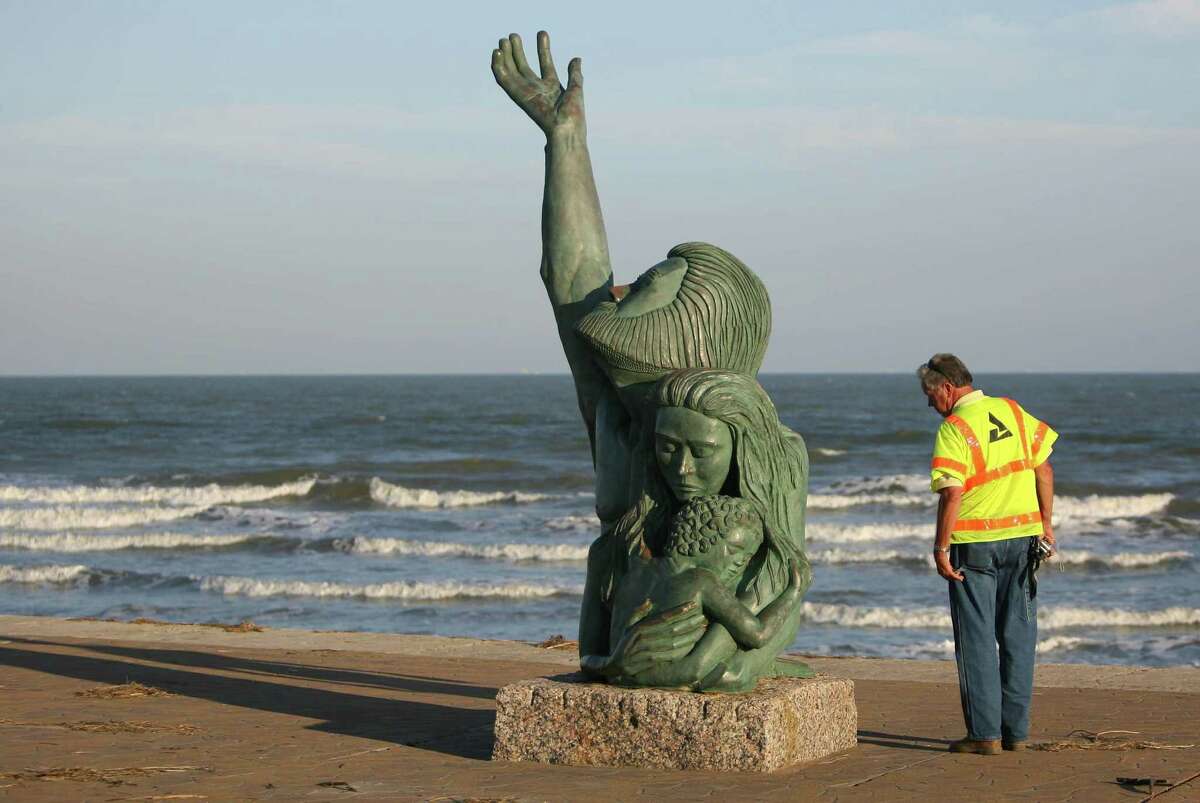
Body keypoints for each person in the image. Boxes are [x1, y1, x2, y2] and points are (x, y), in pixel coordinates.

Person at [491, 32, 802, 688]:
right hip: (618, 642)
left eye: (649, 284)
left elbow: (781, 574)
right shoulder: (619, 409)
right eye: (669, 450)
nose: (624, 287)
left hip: (699, 650)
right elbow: (573, 274)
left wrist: (740, 658)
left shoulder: (758, 447)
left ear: (692, 320)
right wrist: (565, 141)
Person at [918, 353, 1058, 755]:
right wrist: (1046, 524)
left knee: (976, 638)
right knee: (1019, 636)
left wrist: (941, 548)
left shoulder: (954, 428)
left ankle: (984, 736)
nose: (929, 403)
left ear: (947, 387)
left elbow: (952, 492)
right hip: (1025, 539)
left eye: (930, 394)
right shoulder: (1012, 410)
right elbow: (1044, 469)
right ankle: (1017, 734)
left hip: (975, 545)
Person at [597, 495, 807, 688]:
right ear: (704, 541)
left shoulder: (634, 574)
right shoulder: (702, 581)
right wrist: (794, 592)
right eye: (735, 550)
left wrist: (617, 672)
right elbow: (757, 635)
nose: (740, 563)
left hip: (619, 673)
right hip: (682, 673)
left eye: (747, 558)